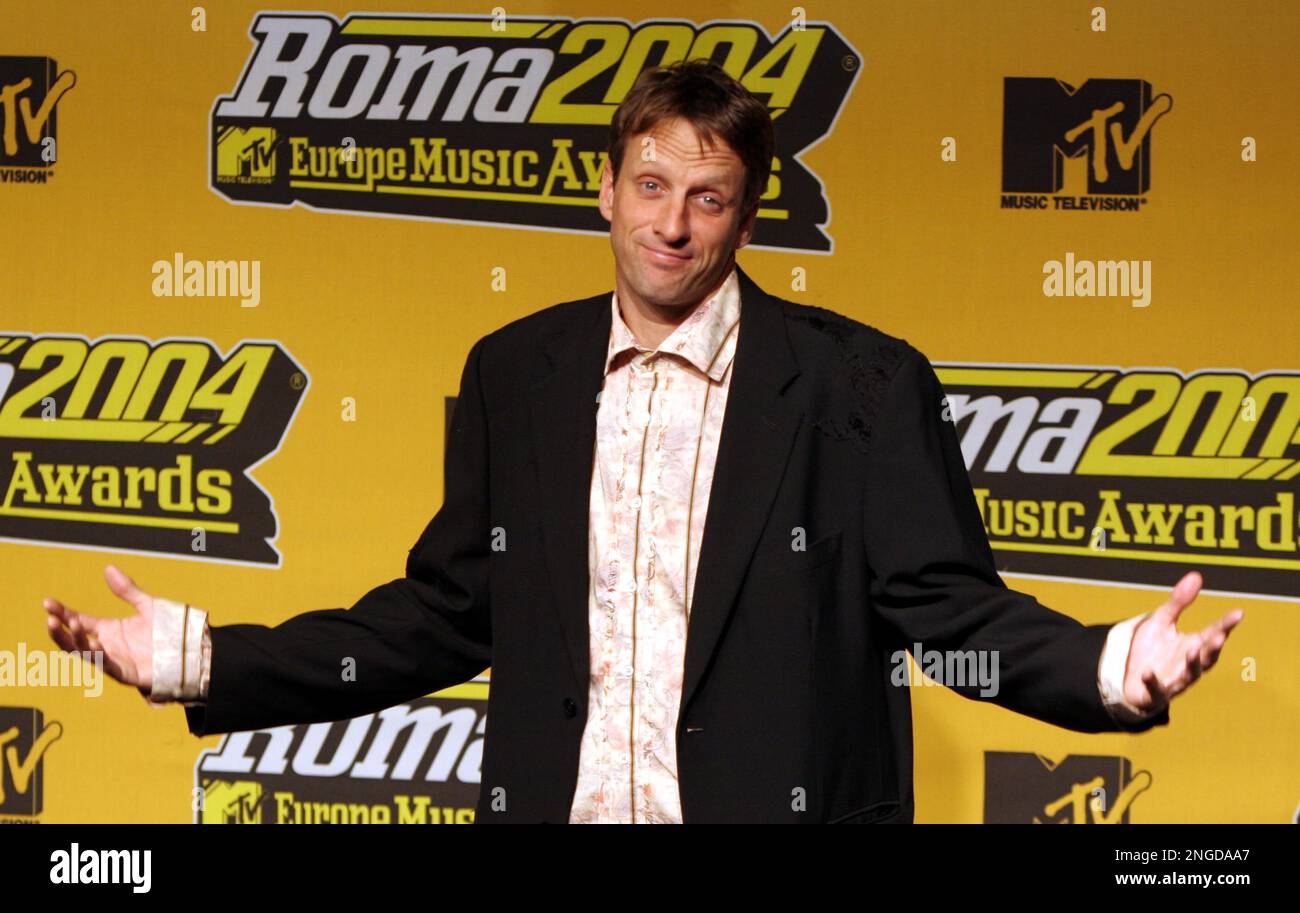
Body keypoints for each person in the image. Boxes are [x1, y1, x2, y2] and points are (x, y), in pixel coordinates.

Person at [43, 60, 1242, 824]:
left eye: (708, 195)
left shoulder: (861, 382)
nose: (673, 224)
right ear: (604, 188)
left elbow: (949, 611)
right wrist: (205, 659)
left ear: (747, 210)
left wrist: (1103, 669)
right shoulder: (515, 373)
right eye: (652, 185)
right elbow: (444, 613)